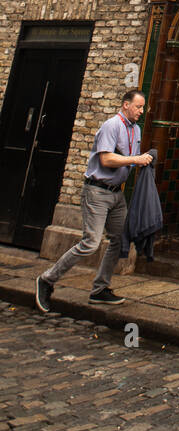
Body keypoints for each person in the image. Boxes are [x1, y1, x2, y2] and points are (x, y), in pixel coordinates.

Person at [35, 90, 153, 312]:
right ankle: (47, 279)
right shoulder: (112, 125)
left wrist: (145, 160)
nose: (141, 111)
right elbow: (107, 158)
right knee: (91, 242)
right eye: (138, 106)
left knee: (119, 241)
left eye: (142, 107)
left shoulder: (135, 130)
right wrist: (136, 159)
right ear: (126, 105)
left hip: (117, 194)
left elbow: (129, 159)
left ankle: (100, 289)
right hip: (97, 192)